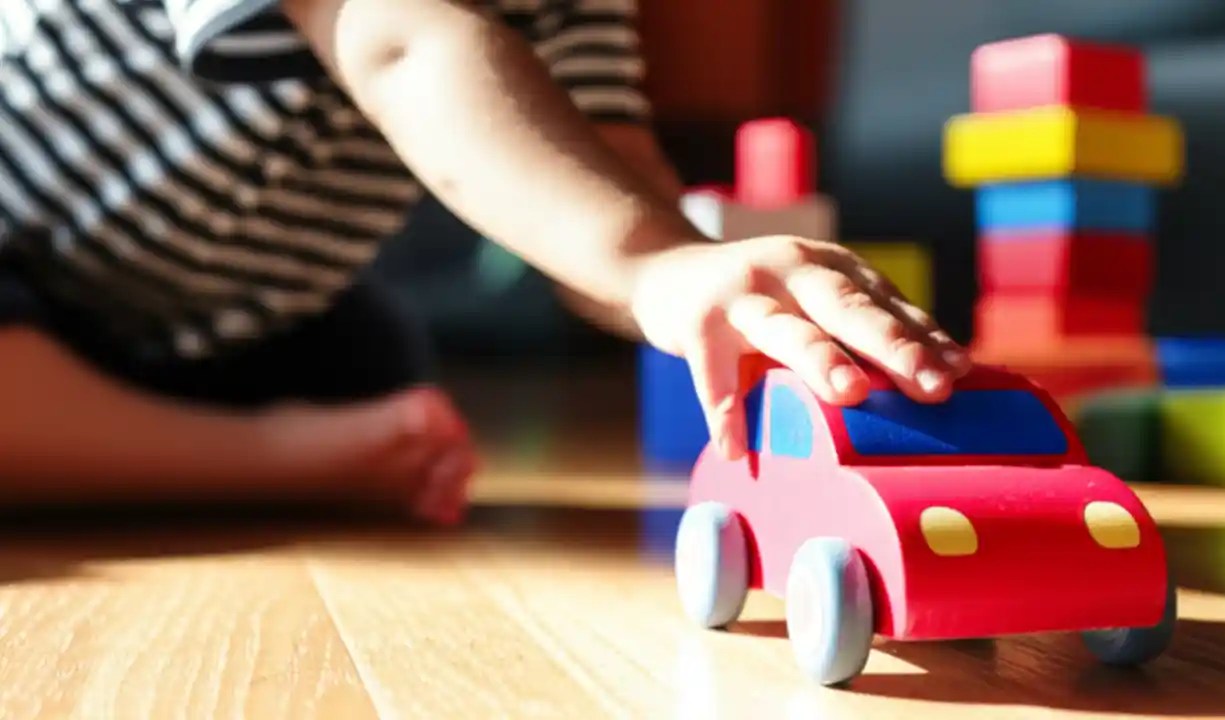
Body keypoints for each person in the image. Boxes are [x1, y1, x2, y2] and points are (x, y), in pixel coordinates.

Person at [0, 0, 969, 523]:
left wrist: (689, 282)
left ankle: (156, 446)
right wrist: (653, 264)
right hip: (23, 239)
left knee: (376, 352)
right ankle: (281, 466)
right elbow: (396, 39)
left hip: (247, 320)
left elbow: (609, 183)